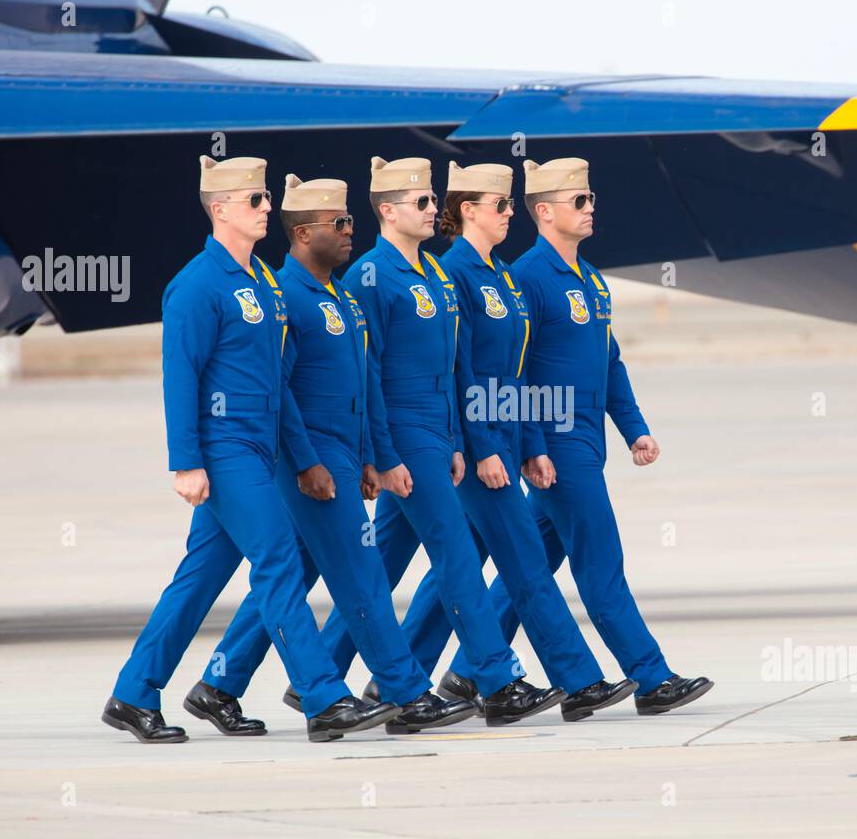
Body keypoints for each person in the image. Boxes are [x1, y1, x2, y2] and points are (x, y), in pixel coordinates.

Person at [103, 155, 398, 744]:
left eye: (266, 199)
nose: (267, 209)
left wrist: (305, 457)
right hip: (224, 447)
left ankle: (133, 694)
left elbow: (278, 383)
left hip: (263, 447)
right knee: (280, 561)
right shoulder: (195, 286)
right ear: (220, 210)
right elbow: (179, 377)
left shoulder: (261, 282)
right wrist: (185, 461)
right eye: (255, 201)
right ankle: (324, 697)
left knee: (200, 579)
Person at [196, 173, 475, 735]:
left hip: (345, 455)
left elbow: (366, 381)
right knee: (359, 571)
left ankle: (219, 684)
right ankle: (406, 690)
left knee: (299, 571)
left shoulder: (342, 294)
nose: (351, 230)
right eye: (339, 223)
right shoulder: (285, 296)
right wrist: (305, 463)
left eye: (351, 220)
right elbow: (283, 395)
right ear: (302, 234)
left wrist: (372, 455)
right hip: (311, 460)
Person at [451, 157, 714, 716]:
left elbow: (610, 363)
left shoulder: (591, 281)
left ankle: (465, 674)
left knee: (531, 566)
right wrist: (535, 446)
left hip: (587, 440)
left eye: (591, 199)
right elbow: (515, 371)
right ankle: (651, 677)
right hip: (557, 441)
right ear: (544, 212)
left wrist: (634, 430)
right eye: (580, 201)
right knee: (600, 561)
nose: (591, 208)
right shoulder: (526, 278)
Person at [317, 156, 563, 726]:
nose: (434, 210)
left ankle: (329, 672)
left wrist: (456, 439)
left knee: (379, 561)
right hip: (400, 429)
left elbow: (455, 366)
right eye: (422, 202)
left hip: (437, 430)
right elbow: (367, 372)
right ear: (386, 211)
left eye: (433, 200)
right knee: (454, 548)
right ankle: (497, 679)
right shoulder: (370, 277)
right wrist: (382, 455)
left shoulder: (431, 273)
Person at [394, 160, 637, 722]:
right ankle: (572, 681)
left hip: (503, 433)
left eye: (510, 204)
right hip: (465, 440)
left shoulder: (500, 274)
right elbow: (462, 373)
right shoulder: (453, 272)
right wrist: (483, 448)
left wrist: (528, 443)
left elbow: (521, 373)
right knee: (519, 562)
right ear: (469, 211)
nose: (510, 214)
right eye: (501, 206)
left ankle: (404, 681)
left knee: (453, 567)